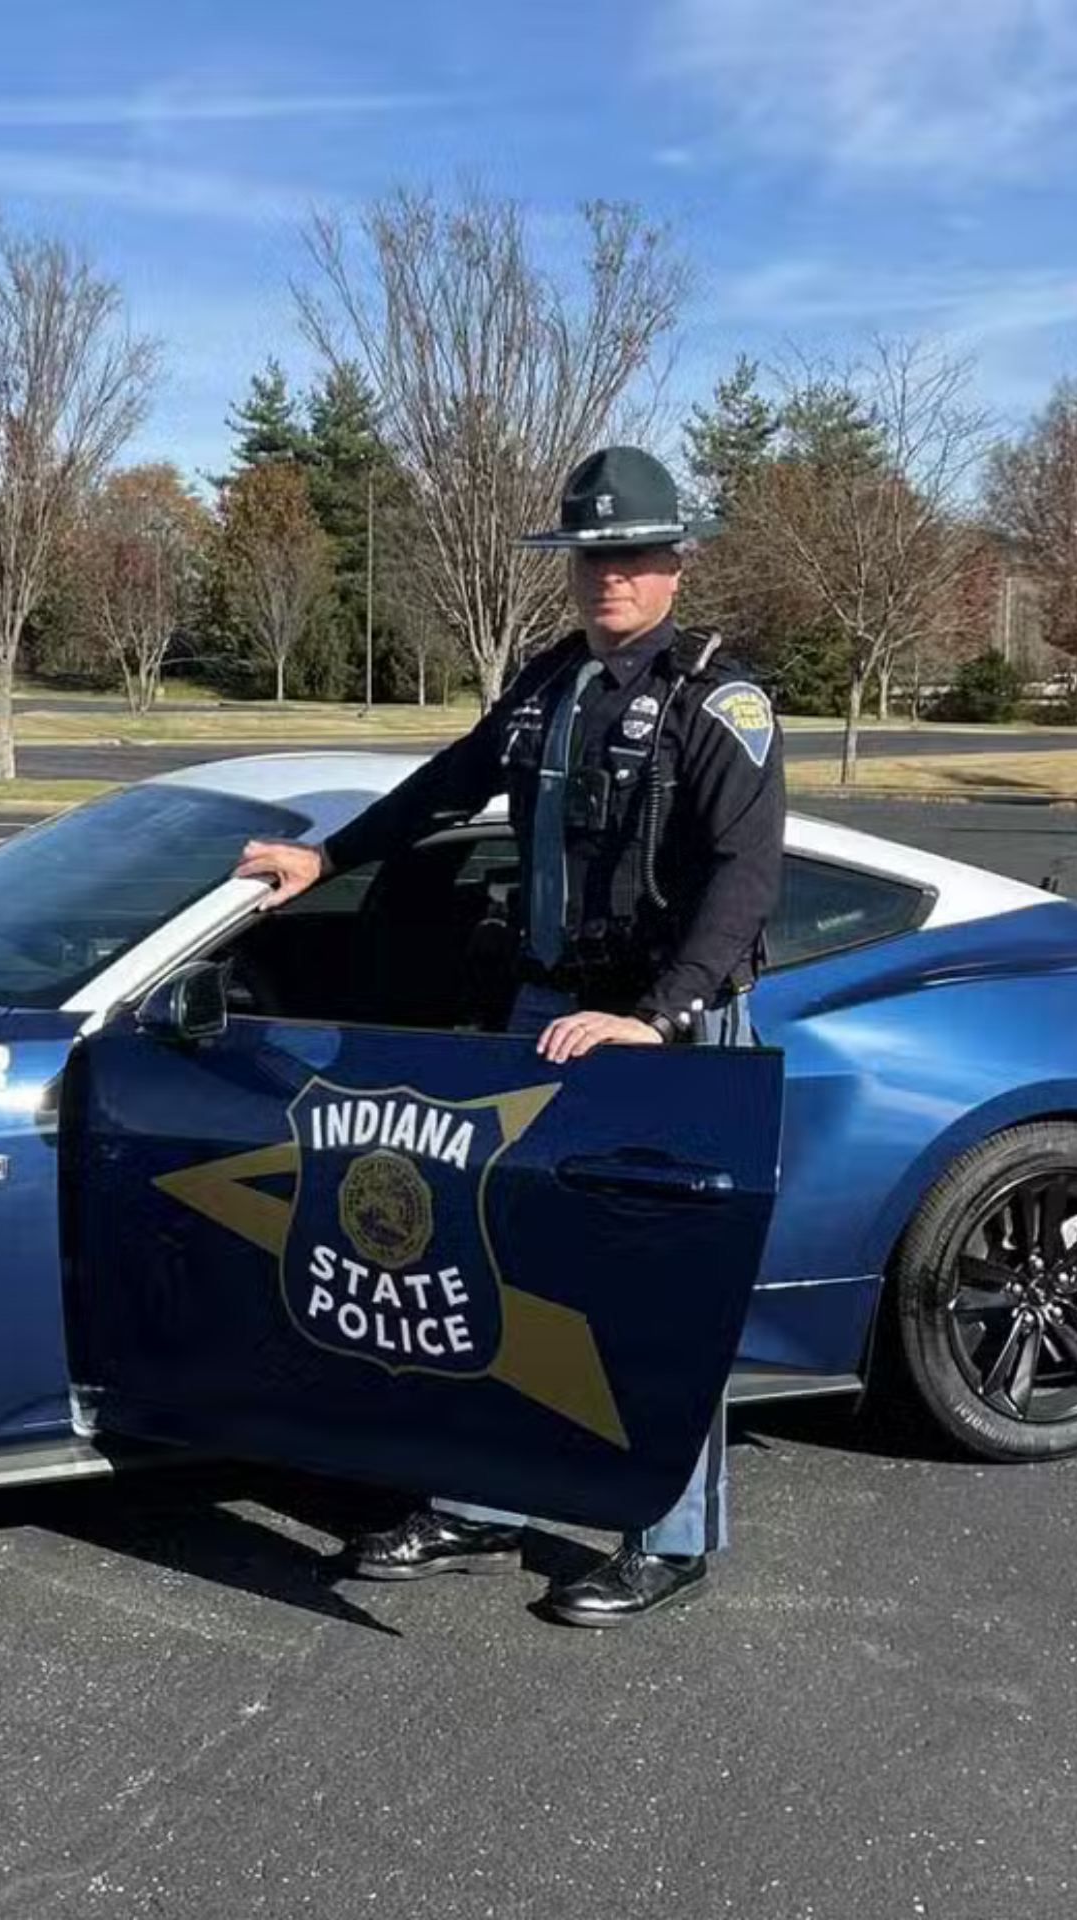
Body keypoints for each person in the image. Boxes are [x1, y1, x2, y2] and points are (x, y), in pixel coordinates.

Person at [231, 445, 784, 1628]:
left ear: (676, 563)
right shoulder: (550, 683)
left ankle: (668, 1539)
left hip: (657, 1029)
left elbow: (746, 877)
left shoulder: (718, 700)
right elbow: (448, 782)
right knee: (503, 1263)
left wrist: (656, 1017)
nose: (609, 577)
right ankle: (483, 1502)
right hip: (544, 1014)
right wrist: (328, 858)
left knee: (657, 1287)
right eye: (591, 557)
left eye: (632, 556)